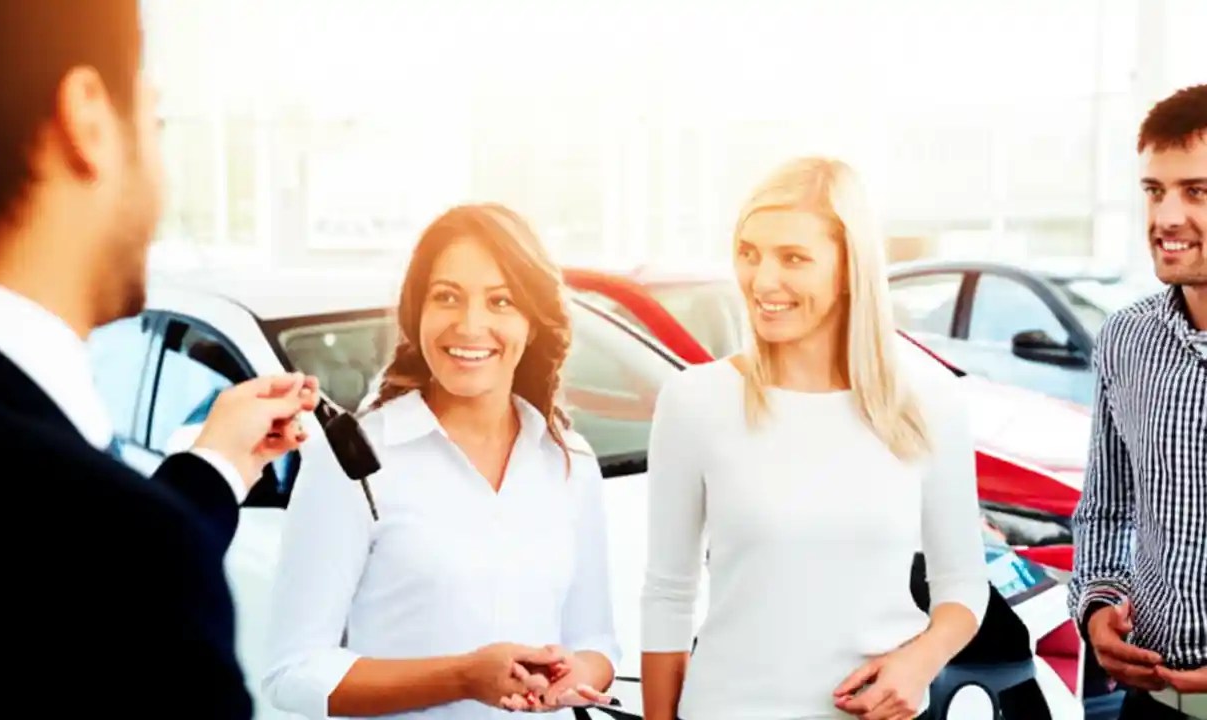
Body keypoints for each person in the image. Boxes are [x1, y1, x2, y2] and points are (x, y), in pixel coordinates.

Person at [0, 3, 318, 717]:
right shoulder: (122, 560)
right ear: (87, 120)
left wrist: (216, 466)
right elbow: (90, 568)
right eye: (156, 122)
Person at [639, 157, 989, 720]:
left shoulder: (928, 401)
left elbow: (964, 586)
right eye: (749, 253)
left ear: (849, 269)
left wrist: (918, 662)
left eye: (793, 258)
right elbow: (668, 596)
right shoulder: (695, 401)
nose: (762, 280)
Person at [262, 204, 620, 719]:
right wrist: (461, 677)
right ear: (417, 313)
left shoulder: (571, 463)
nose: (471, 325)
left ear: (533, 321)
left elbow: (597, 641)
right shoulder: (357, 459)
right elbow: (292, 672)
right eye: (447, 296)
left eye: (501, 301)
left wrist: (575, 673)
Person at [1068, 84, 1207, 720]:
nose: (1167, 218)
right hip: (1148, 707)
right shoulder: (1125, 338)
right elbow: (1106, 509)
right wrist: (1097, 606)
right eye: (1155, 191)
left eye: (1197, 192)